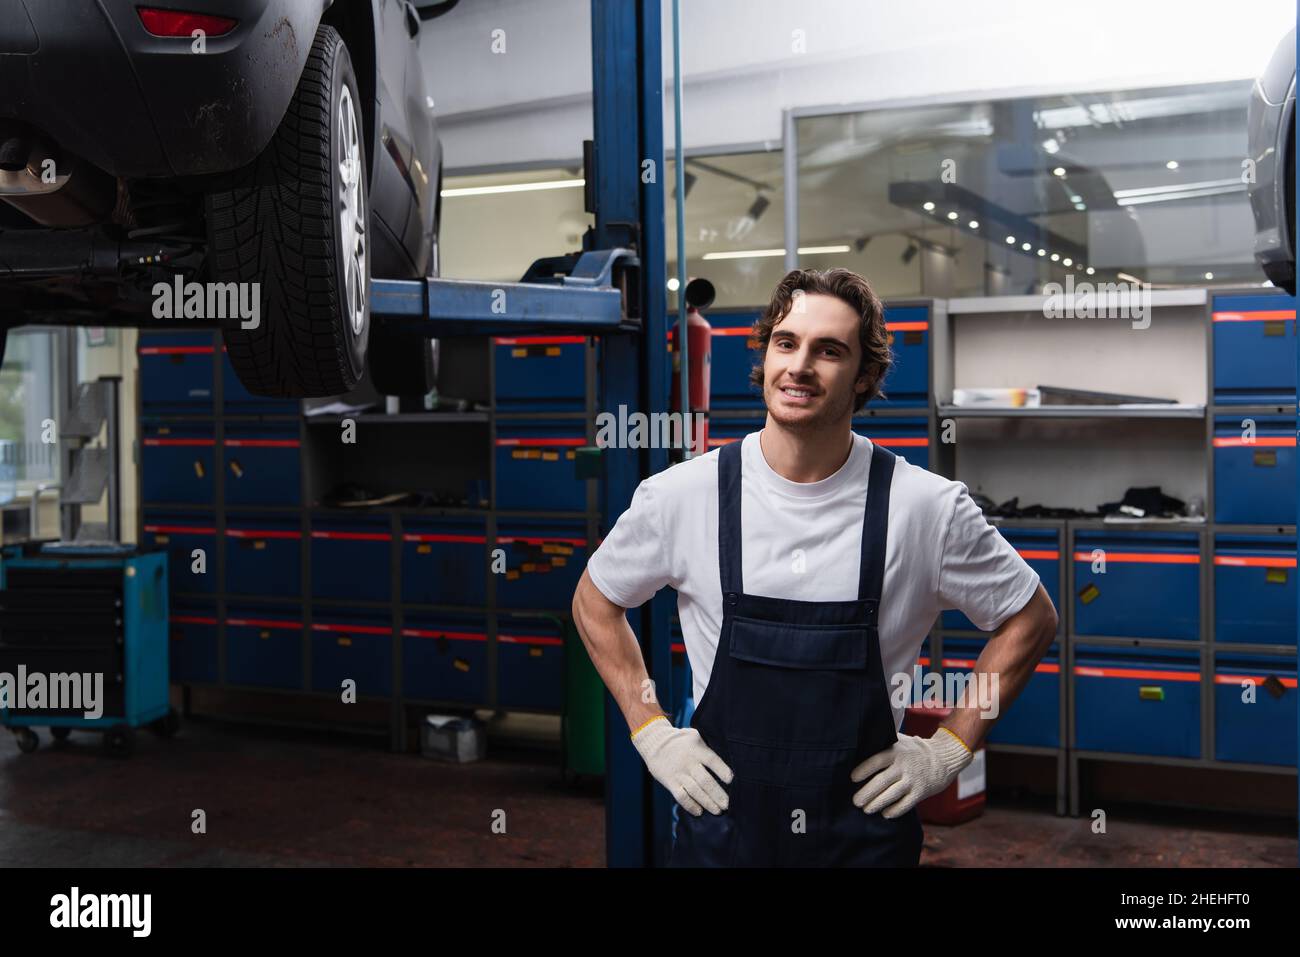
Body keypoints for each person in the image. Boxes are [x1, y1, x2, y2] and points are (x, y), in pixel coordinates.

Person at [571, 267, 1058, 867]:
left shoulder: (927, 508)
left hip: (863, 842)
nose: (799, 366)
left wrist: (949, 749)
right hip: (722, 840)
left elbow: (1030, 620)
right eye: (786, 343)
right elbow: (594, 601)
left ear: (866, 376)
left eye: (829, 351)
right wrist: (650, 730)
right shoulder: (681, 496)